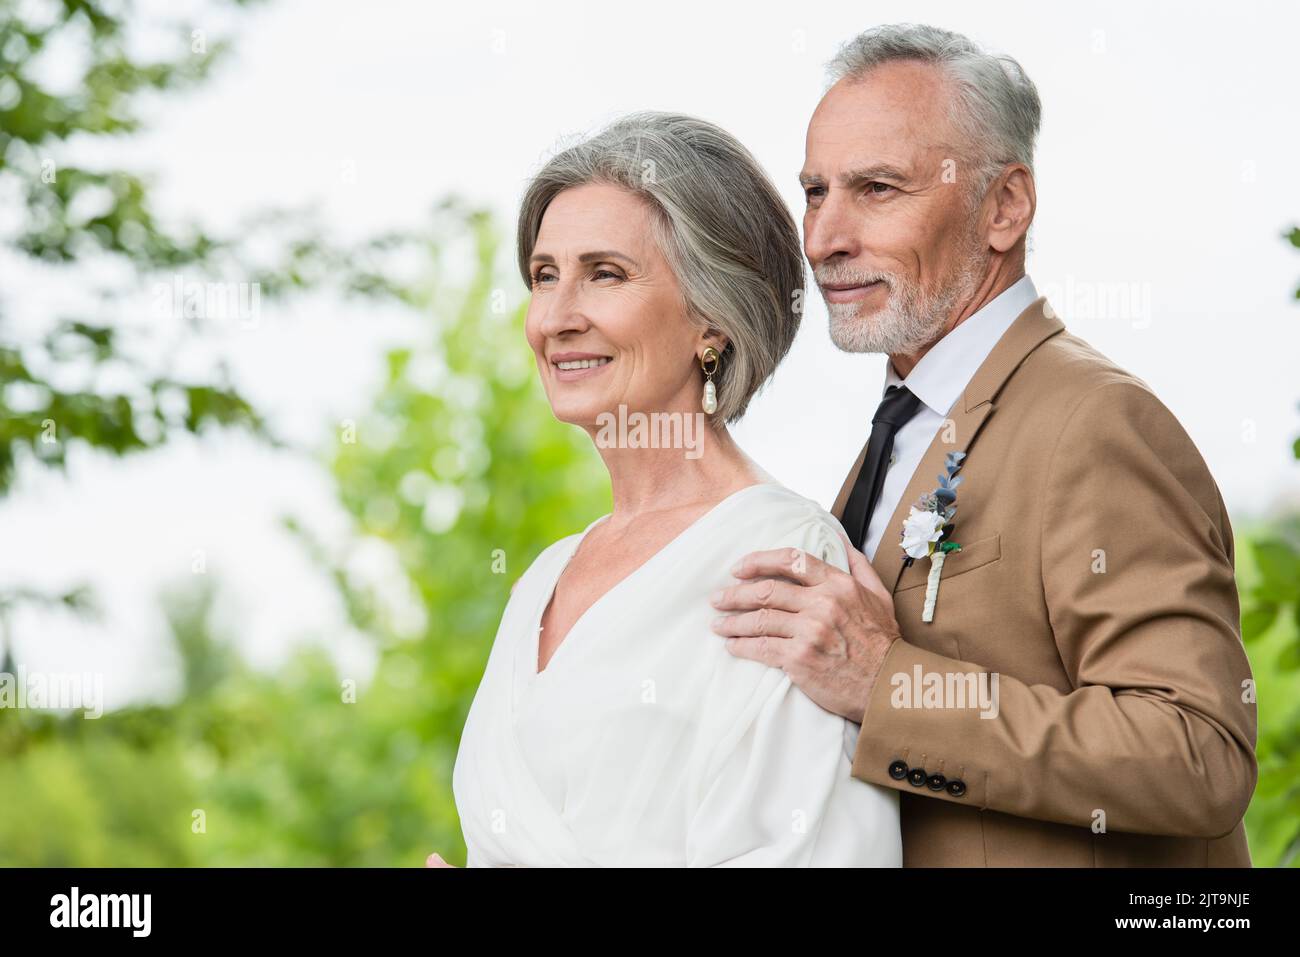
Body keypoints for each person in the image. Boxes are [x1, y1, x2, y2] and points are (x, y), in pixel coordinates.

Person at [710, 23, 1257, 866]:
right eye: (817, 191)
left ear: (1004, 207)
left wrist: (887, 683)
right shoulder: (900, 427)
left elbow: (1197, 752)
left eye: (878, 188)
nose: (823, 238)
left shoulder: (1095, 421)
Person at [440, 112, 902, 866]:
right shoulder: (541, 581)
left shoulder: (784, 559)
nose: (556, 318)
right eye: (544, 275)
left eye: (605, 274)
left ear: (711, 321)